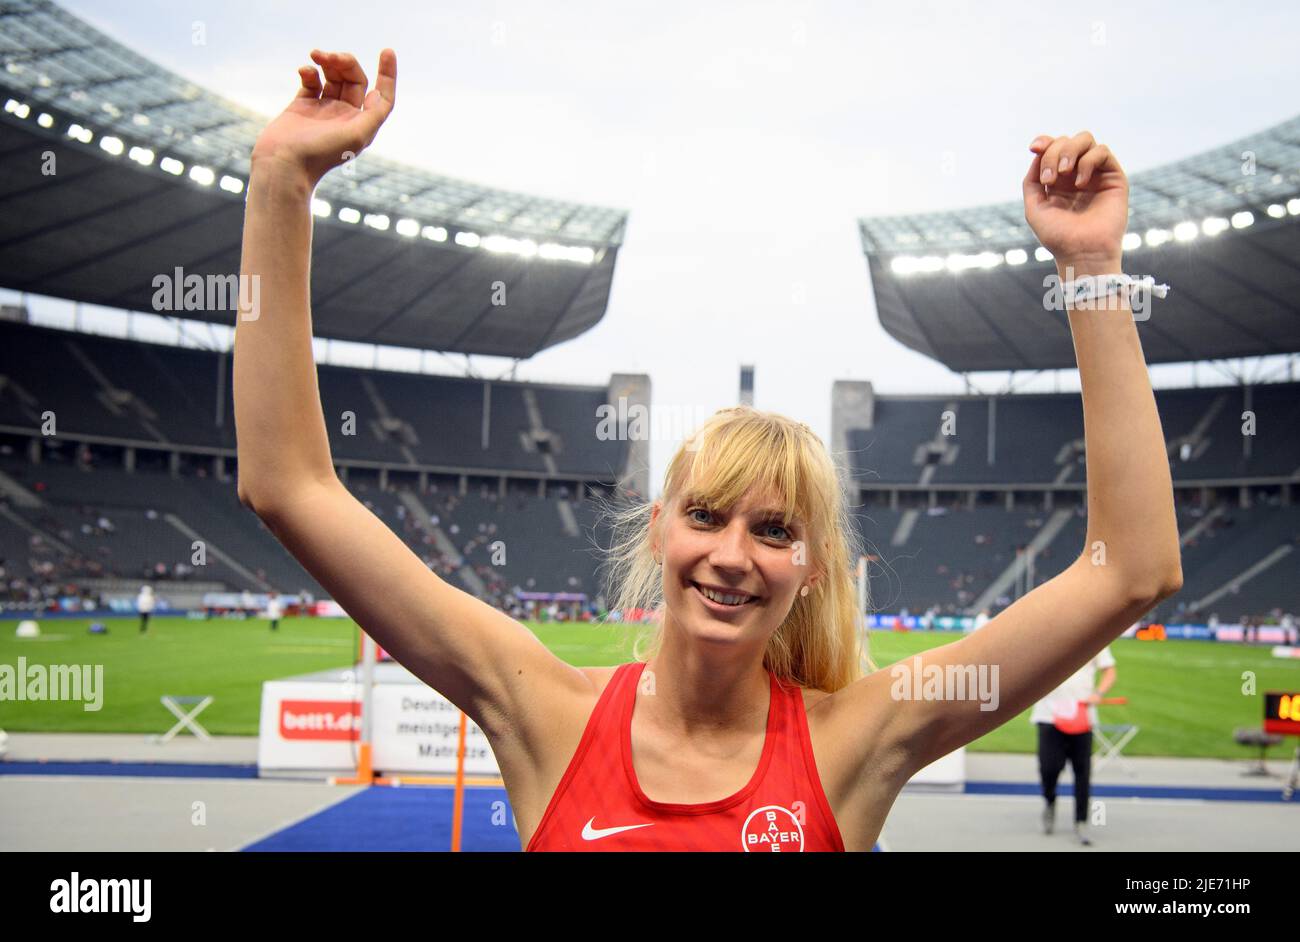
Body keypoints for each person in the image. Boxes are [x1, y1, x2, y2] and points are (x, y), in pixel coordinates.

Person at [232, 48, 1182, 851]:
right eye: (705, 514)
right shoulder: (546, 713)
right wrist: (278, 182)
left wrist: (1093, 272)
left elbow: (1130, 571)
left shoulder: (857, 743)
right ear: (658, 531)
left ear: (809, 569)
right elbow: (290, 485)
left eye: (774, 529)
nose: (732, 555)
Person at [1030, 646, 1117, 845]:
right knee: (1048, 768)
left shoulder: (1096, 637)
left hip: (1081, 715)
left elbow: (1110, 672)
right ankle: (1049, 800)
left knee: (1082, 772)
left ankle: (1081, 821)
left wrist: (1098, 693)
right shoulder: (1044, 639)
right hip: (1049, 714)